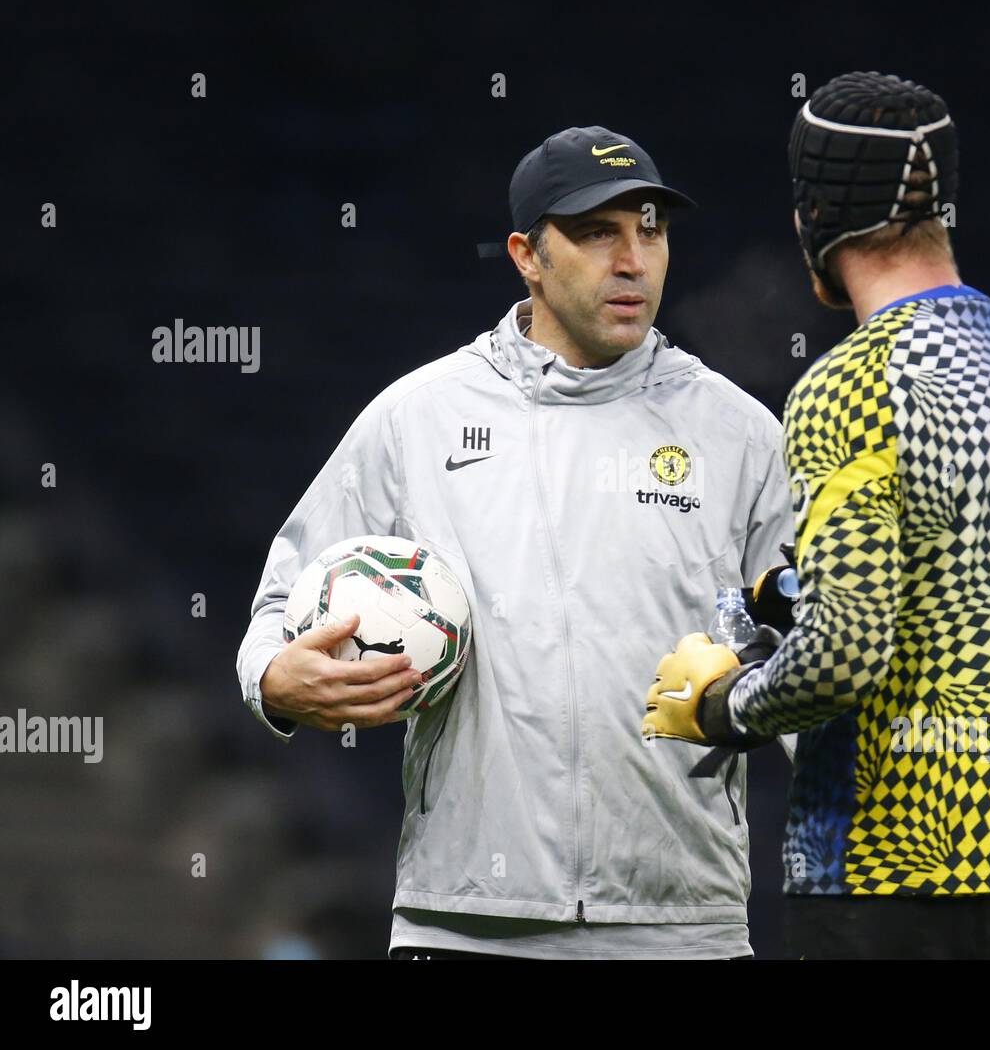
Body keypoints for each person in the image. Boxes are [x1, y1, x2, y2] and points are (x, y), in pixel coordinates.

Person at [235, 125, 793, 959]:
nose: (634, 259)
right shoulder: (416, 419)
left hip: (683, 927)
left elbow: (814, 644)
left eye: (651, 228)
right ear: (527, 255)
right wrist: (276, 679)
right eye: (598, 232)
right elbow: (278, 609)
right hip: (463, 921)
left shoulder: (740, 434)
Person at [643, 72, 990, 959]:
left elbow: (843, 656)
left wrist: (724, 704)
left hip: (874, 883)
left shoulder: (849, 384)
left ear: (814, 219)